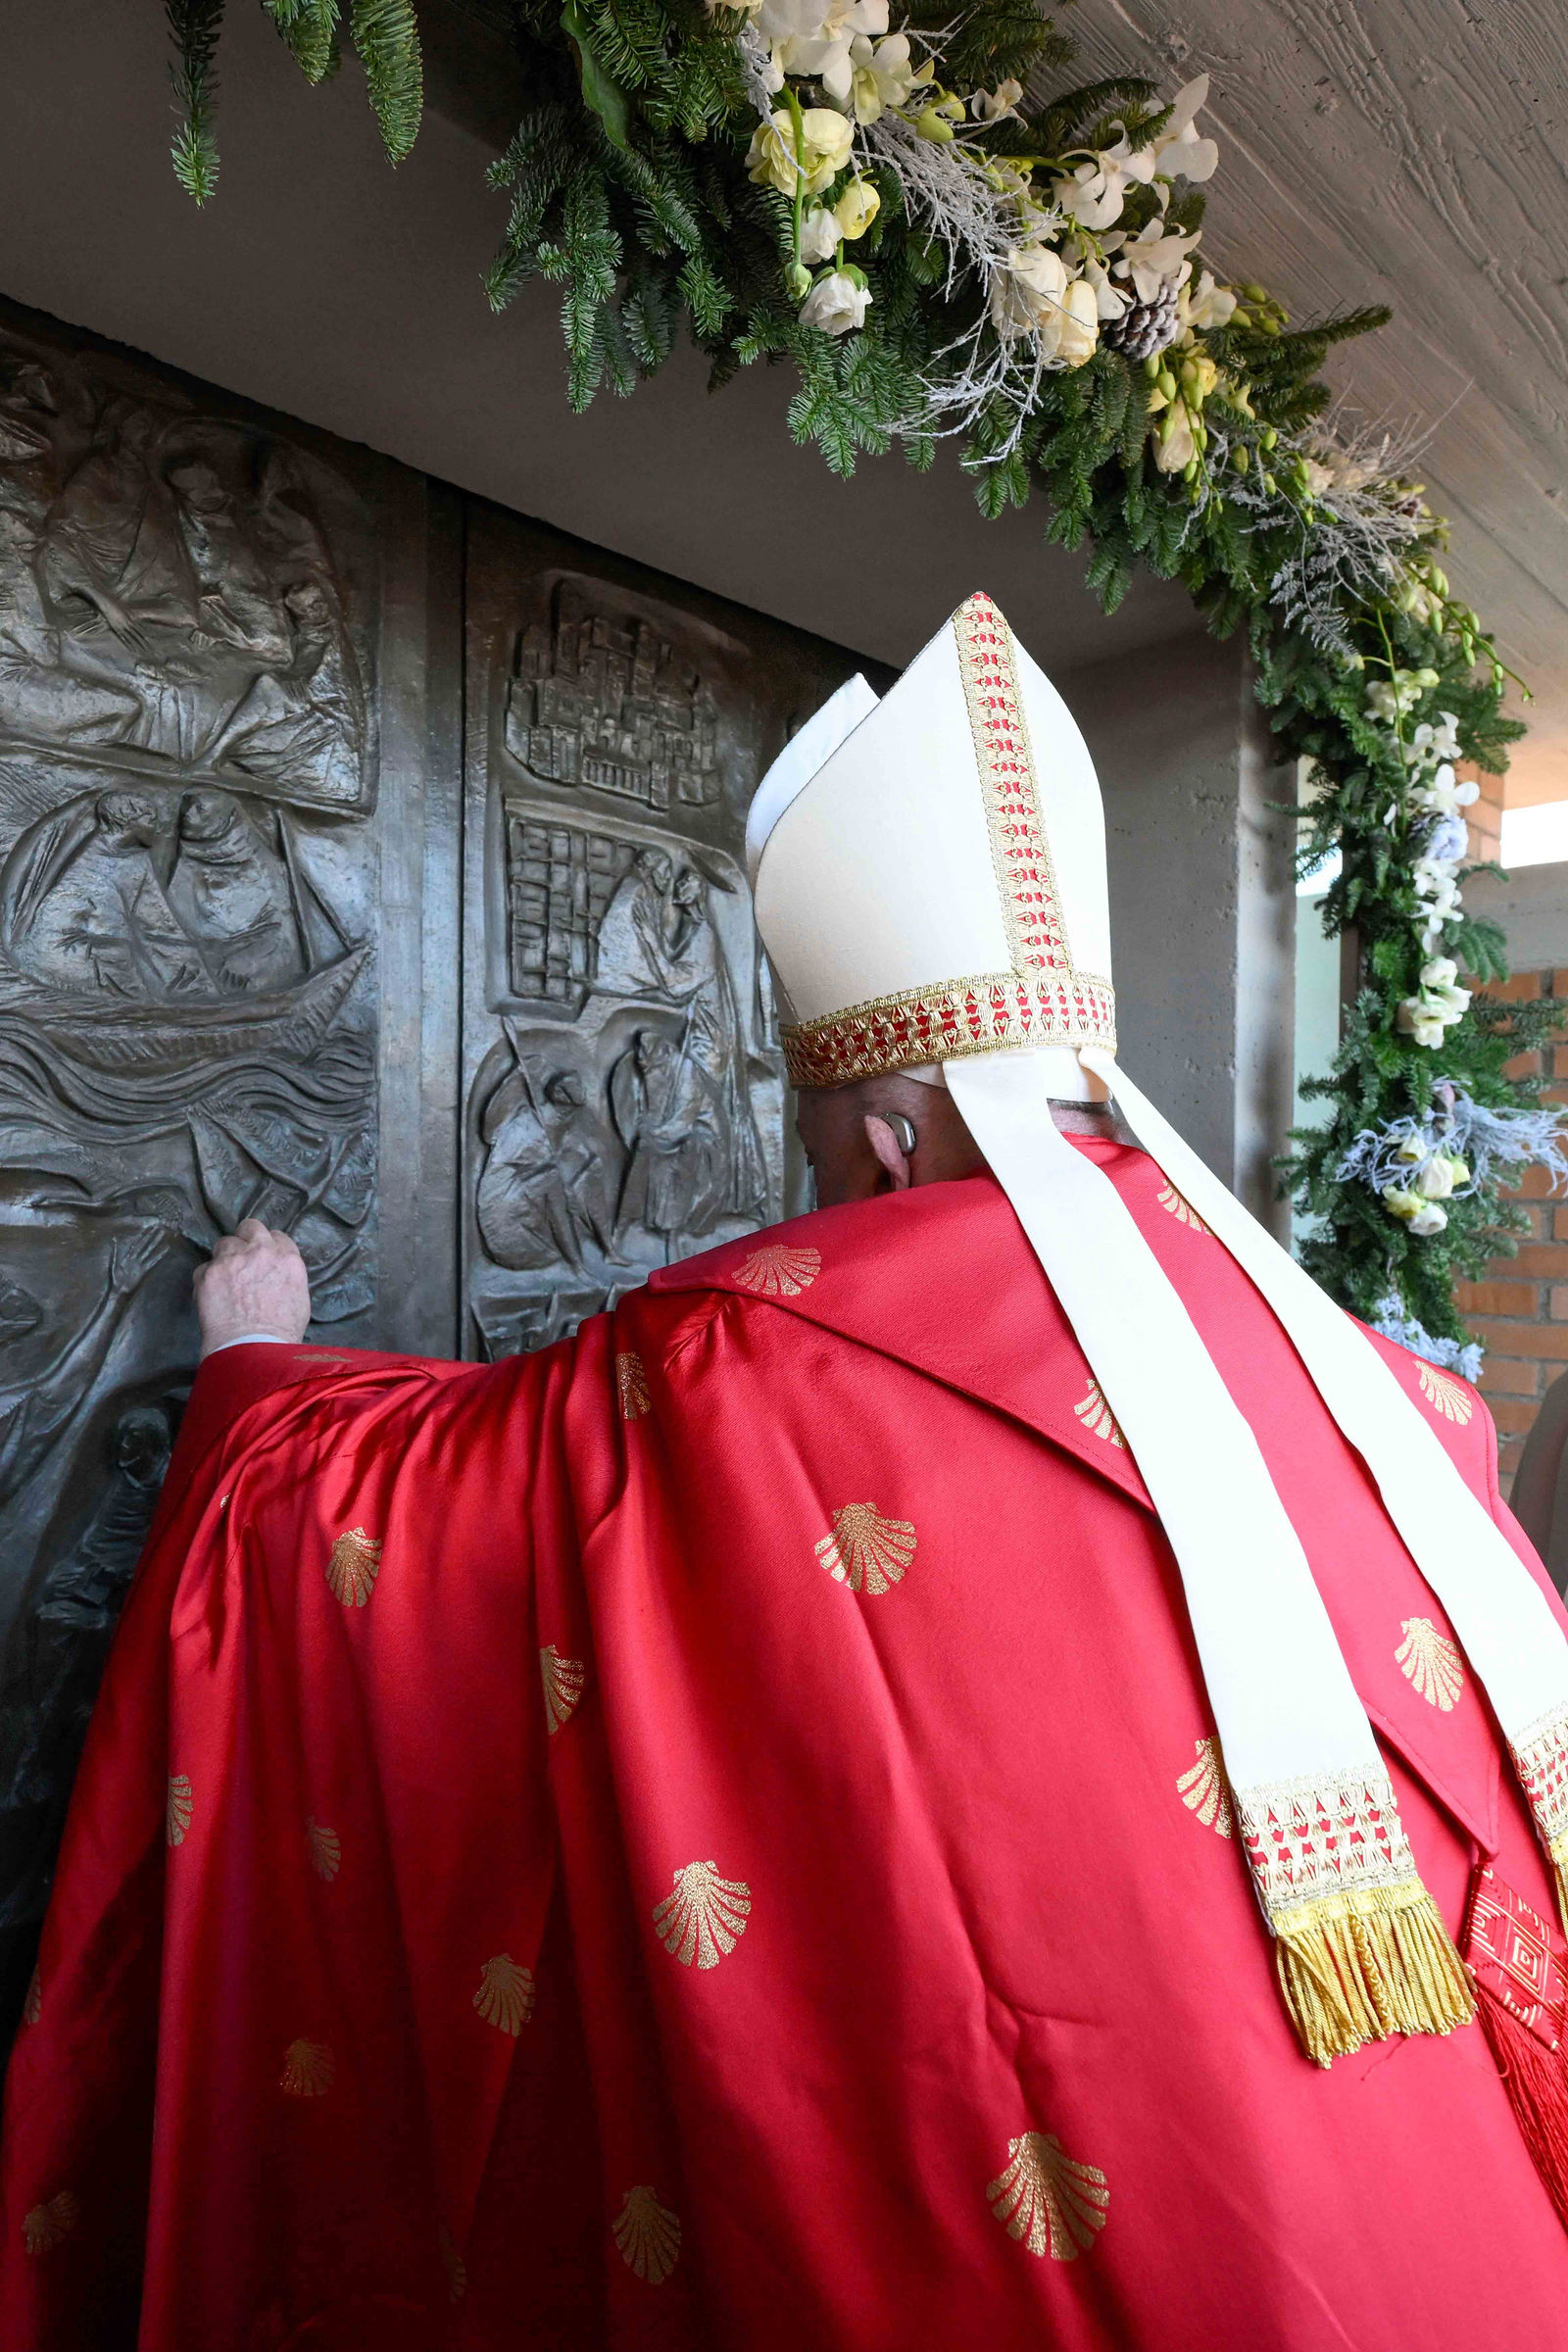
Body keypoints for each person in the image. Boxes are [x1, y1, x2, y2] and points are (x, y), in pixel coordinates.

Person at [7, 594, 1568, 2351]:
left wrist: (257, 1376)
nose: (813, 1189)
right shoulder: (1338, 1368)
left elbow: (419, 1536)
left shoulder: (752, 1361)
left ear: (893, 1135)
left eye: (820, 1142)